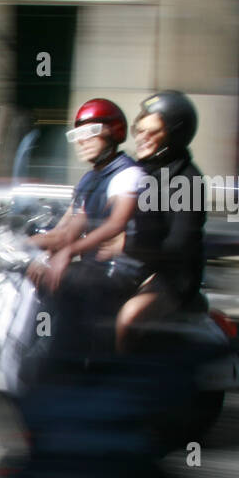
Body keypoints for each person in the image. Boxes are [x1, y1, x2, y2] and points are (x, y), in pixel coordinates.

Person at [27, 98, 145, 352]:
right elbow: (67, 230)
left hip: (119, 270)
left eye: (91, 132)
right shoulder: (89, 179)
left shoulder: (127, 174)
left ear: (115, 132)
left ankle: (73, 361)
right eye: (76, 134)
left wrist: (67, 251)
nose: (82, 140)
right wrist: (22, 244)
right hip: (95, 267)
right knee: (34, 277)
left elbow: (116, 223)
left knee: (64, 283)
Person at [114, 90, 207, 352]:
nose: (142, 138)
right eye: (139, 130)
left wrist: (128, 248)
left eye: (151, 132)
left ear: (174, 135)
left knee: (128, 317)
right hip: (130, 266)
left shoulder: (187, 180)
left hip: (171, 276)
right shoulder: (136, 170)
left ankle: (120, 385)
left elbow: (179, 244)